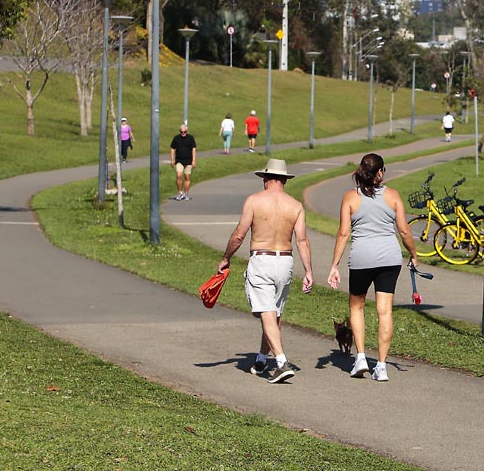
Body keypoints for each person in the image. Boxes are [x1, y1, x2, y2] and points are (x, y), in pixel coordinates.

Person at [218, 159, 313, 384]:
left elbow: (239, 235)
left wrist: (226, 258)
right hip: (285, 261)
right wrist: (308, 270)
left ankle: (281, 362)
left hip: (262, 259)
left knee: (267, 312)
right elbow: (302, 240)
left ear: (266, 179)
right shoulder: (295, 205)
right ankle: (261, 358)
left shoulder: (254, 201)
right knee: (273, 313)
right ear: (284, 181)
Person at [327, 153, 418, 382]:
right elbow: (405, 231)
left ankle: (359, 358)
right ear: (380, 172)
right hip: (389, 258)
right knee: (384, 310)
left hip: (361, 259)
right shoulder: (393, 196)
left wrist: (334, 265)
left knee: (357, 307)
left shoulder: (350, 197)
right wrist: (414, 255)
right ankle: (382, 365)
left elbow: (343, 233)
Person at [169, 124, 196, 201]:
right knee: (179, 175)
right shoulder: (176, 138)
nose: (183, 133)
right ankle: (180, 192)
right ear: (179, 131)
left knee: (187, 177)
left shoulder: (191, 138)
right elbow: (172, 148)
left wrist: (194, 161)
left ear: (187, 131)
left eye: (185, 132)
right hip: (179, 160)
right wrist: (172, 159)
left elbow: (193, 149)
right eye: (182, 132)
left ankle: (185, 193)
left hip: (188, 161)